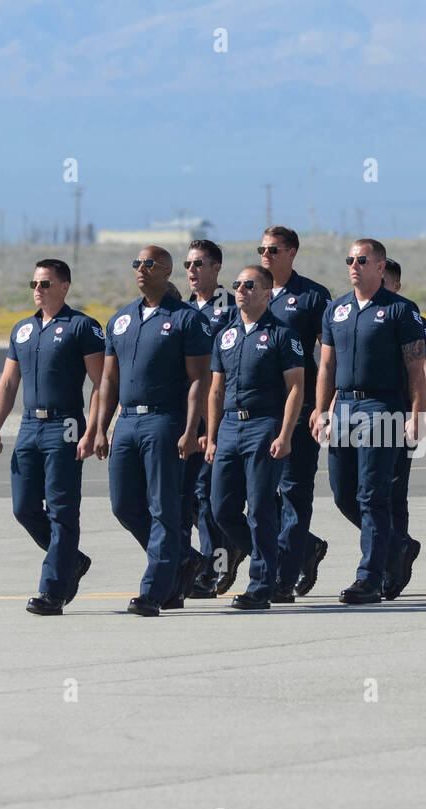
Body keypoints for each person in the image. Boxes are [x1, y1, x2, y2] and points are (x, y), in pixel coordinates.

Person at [90, 246, 212, 616]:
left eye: (149, 264)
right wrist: (100, 427)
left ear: (167, 270)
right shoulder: (121, 320)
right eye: (136, 264)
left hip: (166, 421)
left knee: (165, 508)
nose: (141, 270)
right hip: (127, 423)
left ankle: (153, 592)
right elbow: (109, 379)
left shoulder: (187, 319)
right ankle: (183, 560)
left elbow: (199, 379)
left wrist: (192, 429)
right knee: (124, 504)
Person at [312, 238, 426, 605]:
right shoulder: (337, 311)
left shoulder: (401, 310)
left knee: (372, 495)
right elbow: (327, 365)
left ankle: (370, 577)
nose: (354, 265)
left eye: (362, 260)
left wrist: (416, 413)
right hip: (344, 406)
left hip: (383, 407)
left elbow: (416, 367)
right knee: (344, 493)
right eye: (350, 259)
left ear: (380, 267)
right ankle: (398, 546)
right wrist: (322, 410)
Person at [0, 258, 104, 615]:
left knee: (61, 510)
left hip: (65, 427)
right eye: (34, 284)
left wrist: (95, 429)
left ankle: (52, 591)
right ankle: (73, 560)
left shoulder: (83, 326)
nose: (38, 290)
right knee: (23, 508)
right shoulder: (22, 330)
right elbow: (9, 382)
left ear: (64, 286)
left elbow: (102, 383)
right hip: (28, 427)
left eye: (45, 284)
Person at [205, 266, 306, 609]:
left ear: (266, 293)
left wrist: (285, 433)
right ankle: (273, 559)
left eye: (250, 285)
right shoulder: (226, 335)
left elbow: (296, 388)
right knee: (221, 508)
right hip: (230, 428)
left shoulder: (281, 333)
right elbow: (215, 390)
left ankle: (261, 586)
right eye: (237, 285)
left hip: (264, 426)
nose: (241, 290)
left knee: (261, 508)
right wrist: (212, 435)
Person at [259, 226, 332, 601]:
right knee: (255, 494)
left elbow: (329, 355)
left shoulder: (312, 296)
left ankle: (283, 579)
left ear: (292, 253)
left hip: (300, 409)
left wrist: (323, 407)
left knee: (293, 493)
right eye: (262, 249)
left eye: (273, 250)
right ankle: (305, 547)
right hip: (255, 413)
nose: (265, 256)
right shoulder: (250, 290)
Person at [183, 239, 246, 599]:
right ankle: (223, 550)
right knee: (190, 496)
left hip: (220, 414)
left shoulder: (231, 307)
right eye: (188, 265)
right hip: (188, 413)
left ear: (216, 268)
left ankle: (210, 568)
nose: (192, 271)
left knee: (207, 494)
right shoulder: (183, 309)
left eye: (199, 264)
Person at [380, 257, 426, 599]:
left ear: (396, 286)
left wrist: (419, 412)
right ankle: (397, 546)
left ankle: (392, 565)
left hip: (398, 416)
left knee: (393, 492)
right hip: (361, 415)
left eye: (385, 282)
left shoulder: (411, 318)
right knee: (363, 494)